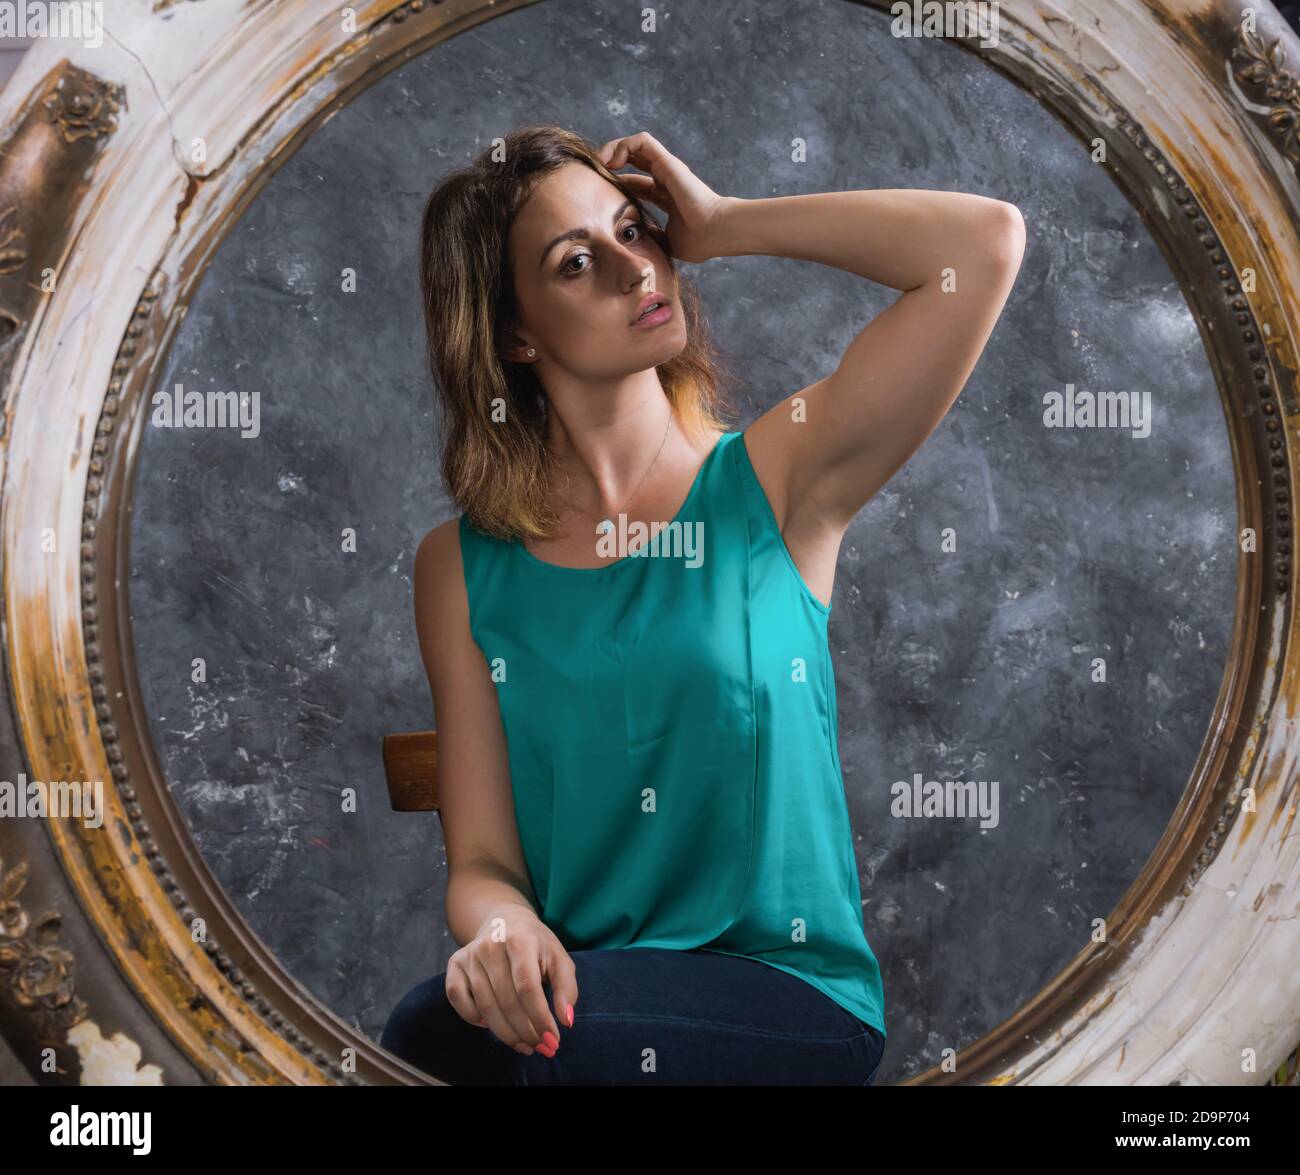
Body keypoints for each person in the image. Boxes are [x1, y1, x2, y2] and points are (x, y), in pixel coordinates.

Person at [381, 124, 1024, 1085]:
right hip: (587, 987)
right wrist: (505, 933)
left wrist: (725, 222)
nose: (632, 269)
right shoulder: (459, 568)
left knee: (556, 1056)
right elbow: (481, 860)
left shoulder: (778, 481)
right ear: (514, 333)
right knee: (429, 1028)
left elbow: (982, 247)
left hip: (785, 993)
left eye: (634, 230)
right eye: (575, 263)